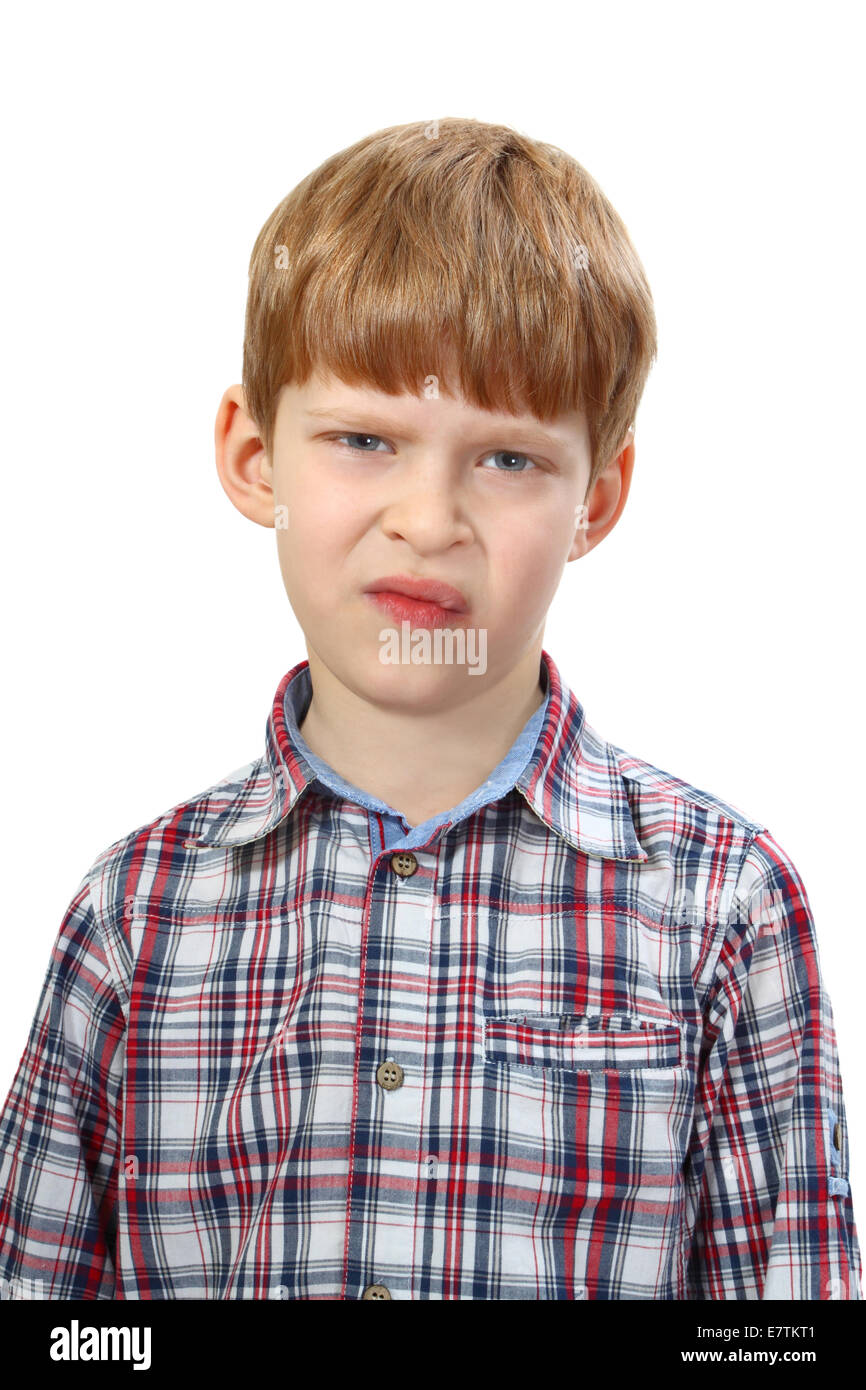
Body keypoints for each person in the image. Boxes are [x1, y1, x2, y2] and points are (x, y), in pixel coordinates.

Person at [0, 117, 859, 1301]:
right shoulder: (134, 916)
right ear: (256, 457)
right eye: (363, 439)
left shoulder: (721, 904)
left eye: (505, 460)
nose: (427, 516)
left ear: (594, 501)